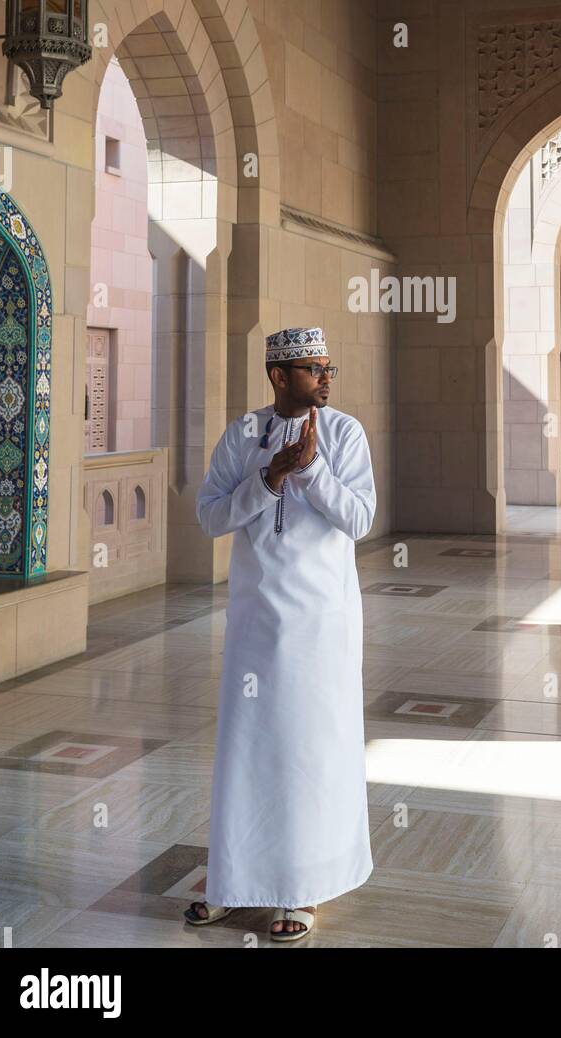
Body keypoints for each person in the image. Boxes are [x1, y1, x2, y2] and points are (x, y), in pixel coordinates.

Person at [187, 326, 376, 941]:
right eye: (313, 368)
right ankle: (231, 884)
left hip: (321, 625)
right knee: (247, 750)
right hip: (255, 623)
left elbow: (360, 518)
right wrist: (267, 478)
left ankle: (299, 891)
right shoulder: (243, 436)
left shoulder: (344, 434)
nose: (325, 377)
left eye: (328, 368)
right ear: (278, 375)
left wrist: (311, 469)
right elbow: (211, 515)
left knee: (306, 753)